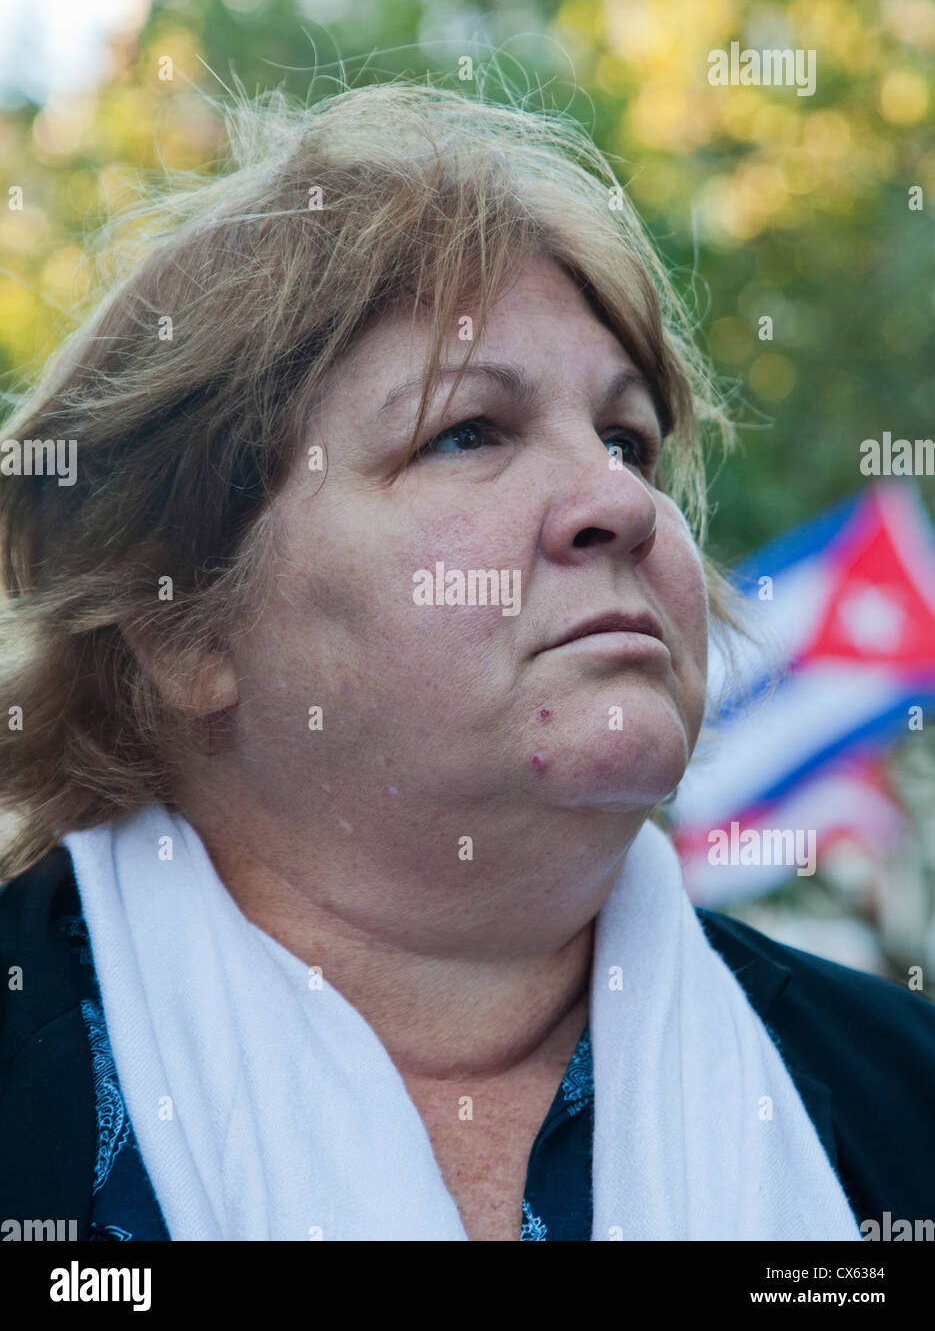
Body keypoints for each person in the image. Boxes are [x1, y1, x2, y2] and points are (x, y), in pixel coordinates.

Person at [1, 81, 933, 1243]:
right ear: (184, 628)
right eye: (466, 432)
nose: (618, 502)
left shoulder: (905, 1095)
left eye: (626, 437)